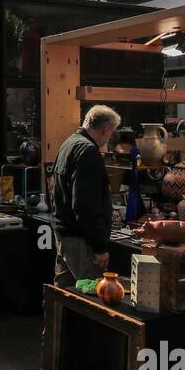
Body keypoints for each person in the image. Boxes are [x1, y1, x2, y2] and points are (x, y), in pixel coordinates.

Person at [50, 104, 121, 287]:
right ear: (106, 129)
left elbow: (55, 188)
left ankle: (55, 317)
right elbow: (83, 205)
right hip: (80, 238)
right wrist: (99, 247)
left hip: (65, 232)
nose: (110, 137)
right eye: (112, 133)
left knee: (63, 292)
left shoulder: (69, 143)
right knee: (93, 295)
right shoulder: (88, 151)